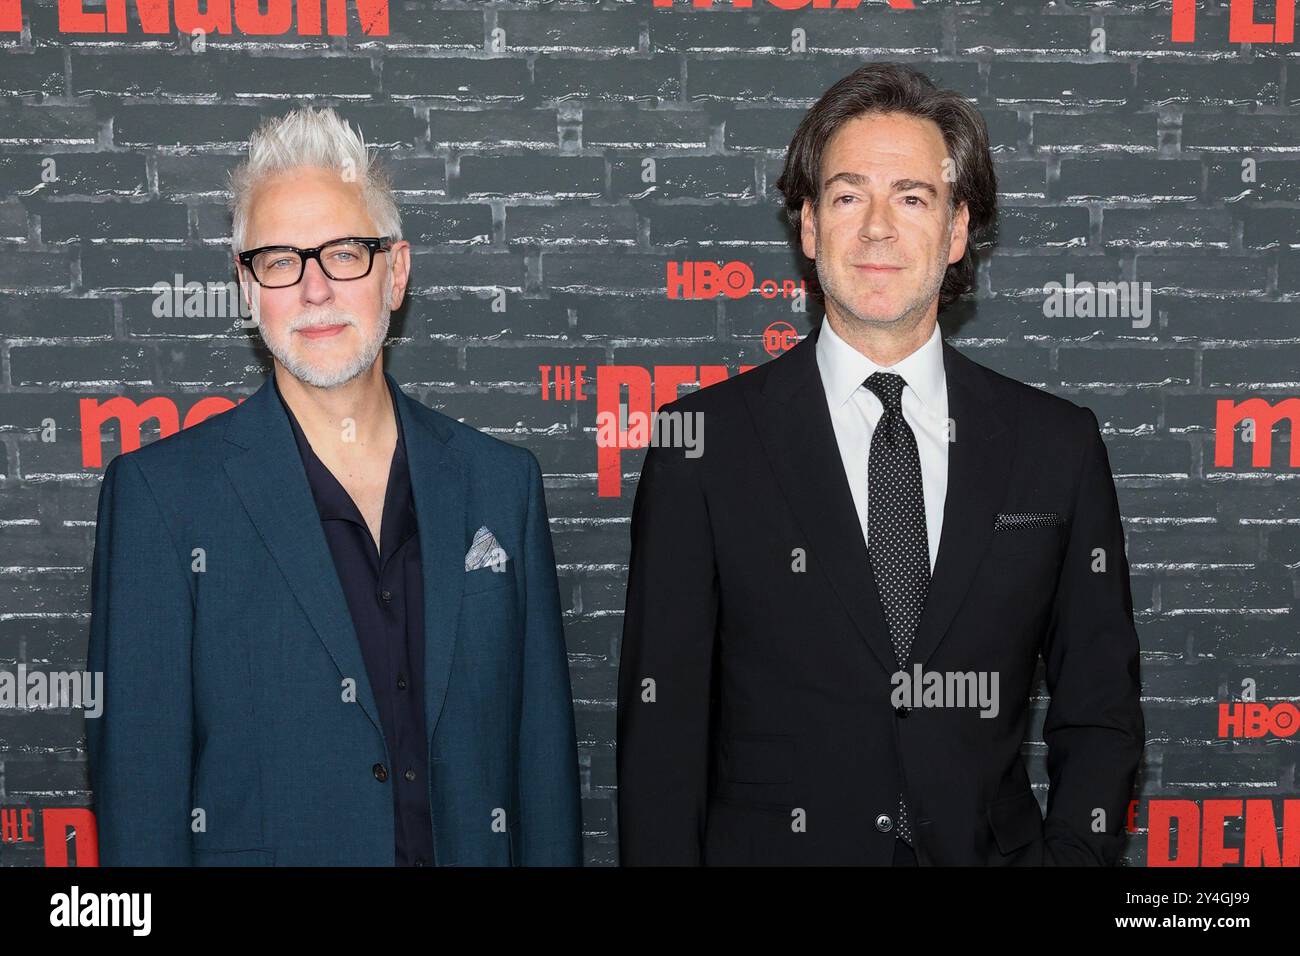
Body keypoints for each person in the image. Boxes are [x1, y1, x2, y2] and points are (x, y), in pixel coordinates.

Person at [616, 63, 1144, 866]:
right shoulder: (702, 445)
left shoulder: (1055, 447)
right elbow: (663, 738)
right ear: (808, 226)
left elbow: (1101, 711)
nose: (876, 228)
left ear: (959, 229)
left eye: (912, 196)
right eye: (847, 195)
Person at [86, 106, 581, 866]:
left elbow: (542, 775)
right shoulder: (162, 502)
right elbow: (140, 808)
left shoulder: (500, 487)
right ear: (247, 289)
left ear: (397, 271)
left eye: (345, 252)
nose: (315, 289)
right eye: (281, 260)